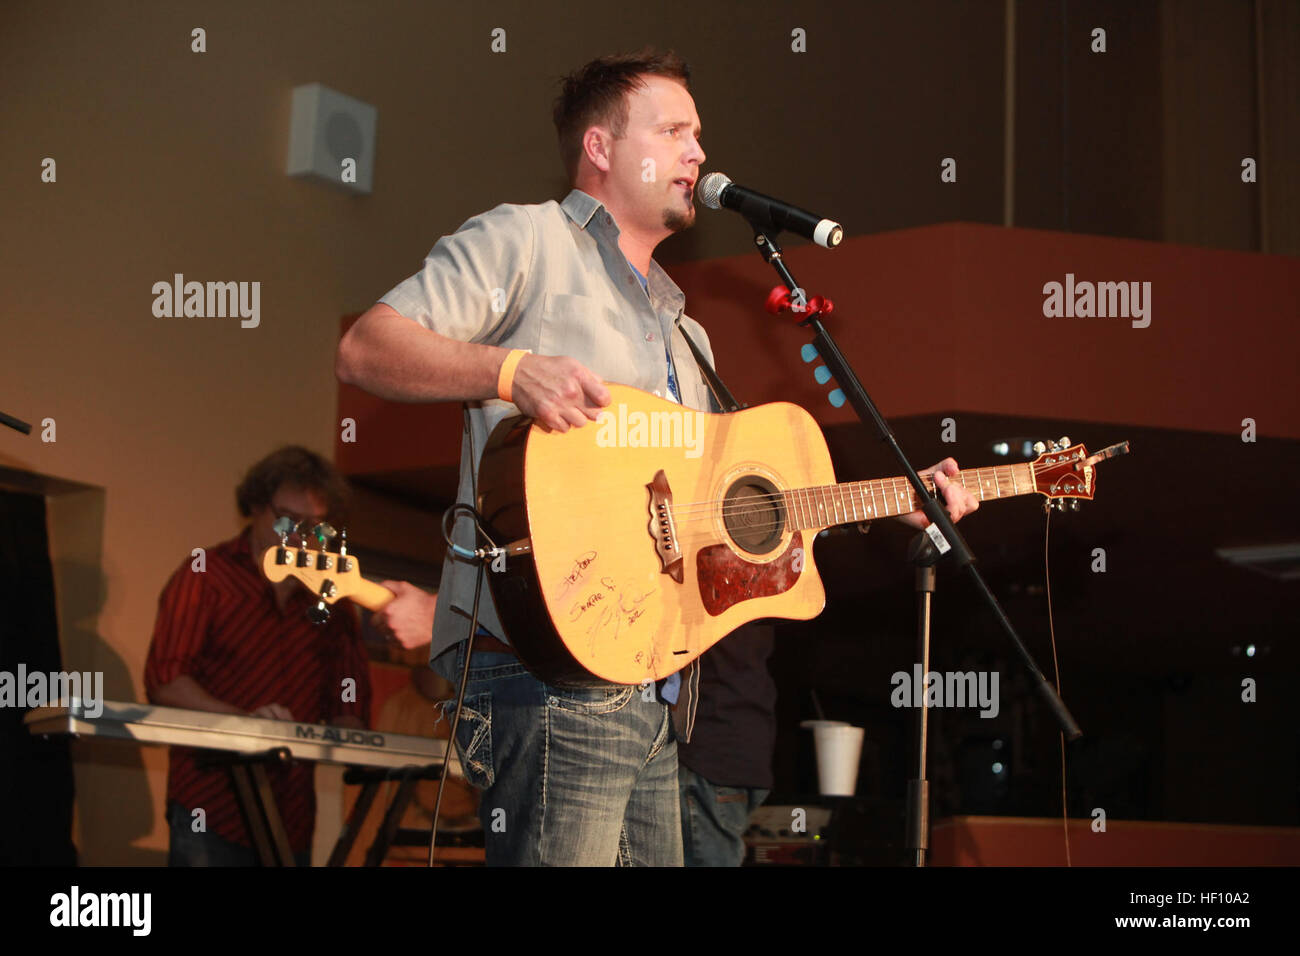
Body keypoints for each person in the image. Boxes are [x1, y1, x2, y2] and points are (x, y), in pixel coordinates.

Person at [336, 49, 979, 866]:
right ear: (601, 148)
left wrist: (900, 497)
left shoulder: (689, 335)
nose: (698, 153)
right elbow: (366, 348)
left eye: (699, 135)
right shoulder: (526, 240)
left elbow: (733, 519)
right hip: (544, 664)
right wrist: (510, 369)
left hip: (654, 689)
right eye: (673, 130)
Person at [144, 446, 378, 866]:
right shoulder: (207, 576)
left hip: (291, 811)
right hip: (210, 801)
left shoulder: (332, 597)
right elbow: (166, 680)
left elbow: (349, 701)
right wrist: (243, 721)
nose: (299, 536)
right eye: (287, 520)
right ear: (254, 506)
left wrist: (352, 736)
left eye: (313, 525)